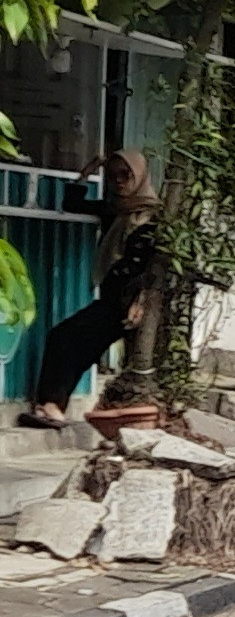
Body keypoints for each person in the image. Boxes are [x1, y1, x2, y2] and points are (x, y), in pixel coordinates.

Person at [20, 152, 160, 428]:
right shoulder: (116, 209)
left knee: (64, 338)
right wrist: (88, 172)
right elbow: (72, 203)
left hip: (129, 304)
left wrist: (142, 301)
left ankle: (52, 406)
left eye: (125, 175)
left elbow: (155, 266)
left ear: (140, 177)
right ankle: (51, 407)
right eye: (113, 176)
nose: (119, 181)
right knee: (73, 345)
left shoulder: (153, 217)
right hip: (112, 299)